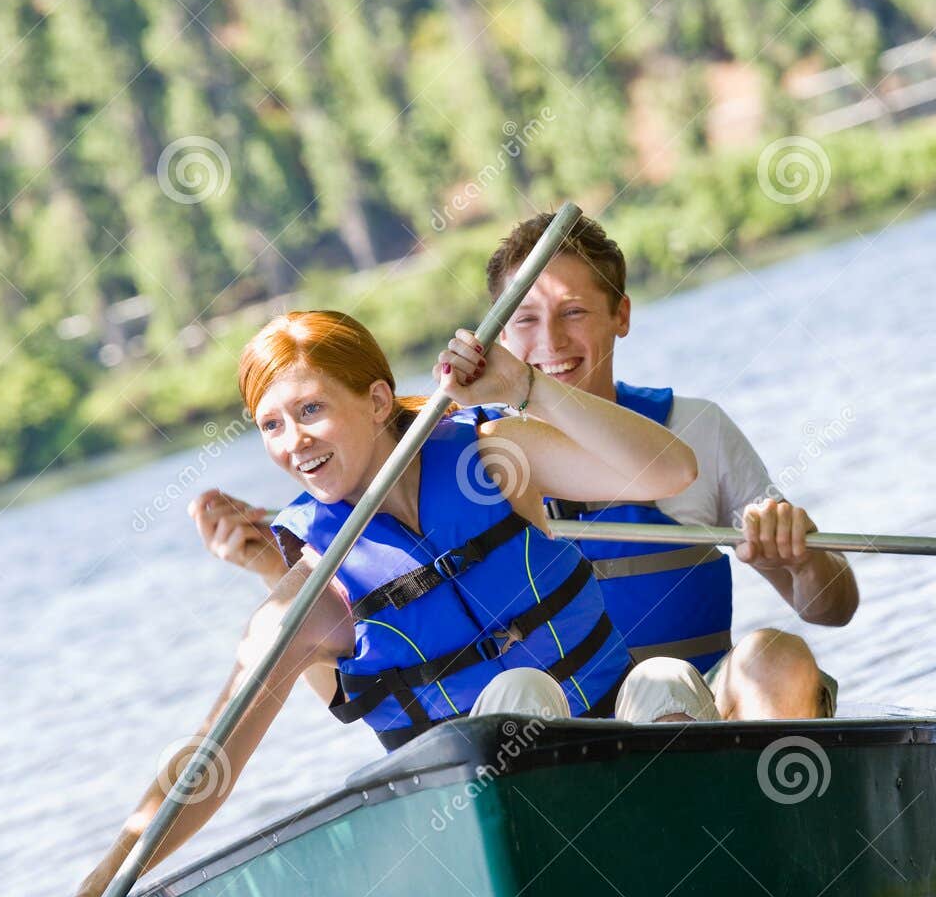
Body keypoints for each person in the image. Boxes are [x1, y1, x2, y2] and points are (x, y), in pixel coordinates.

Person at [37, 309, 696, 897]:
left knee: (666, 679)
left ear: (378, 400)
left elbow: (669, 471)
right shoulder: (309, 600)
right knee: (516, 702)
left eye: (311, 409)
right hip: (488, 852)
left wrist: (527, 385)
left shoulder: (494, 457)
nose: (293, 442)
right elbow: (210, 762)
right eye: (271, 424)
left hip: (626, 779)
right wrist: (99, 888)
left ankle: (691, 884)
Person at [192, 213, 859, 722]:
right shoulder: (478, 465)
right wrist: (273, 566)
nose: (551, 343)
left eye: (574, 313)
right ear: (499, 340)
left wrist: (798, 561)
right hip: (555, 736)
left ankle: (774, 835)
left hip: (701, 721)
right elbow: (346, 660)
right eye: (527, 320)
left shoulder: (693, 431)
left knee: (775, 652)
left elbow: (832, 607)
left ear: (620, 316)